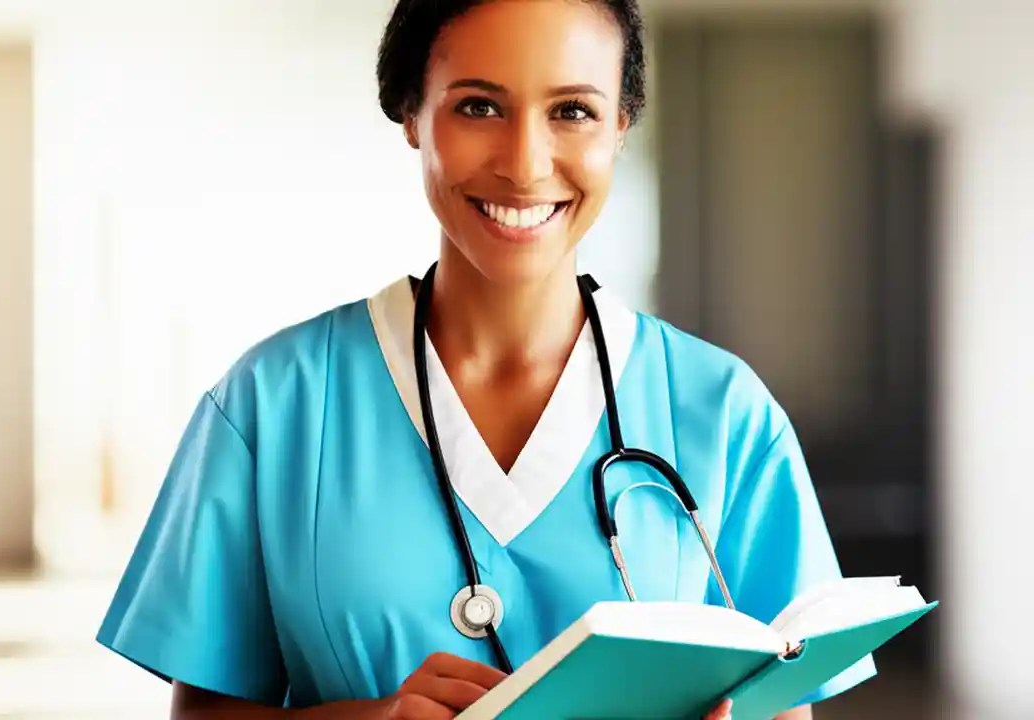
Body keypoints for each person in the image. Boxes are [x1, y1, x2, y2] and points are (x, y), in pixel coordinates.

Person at [96, 1, 876, 718]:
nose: (525, 162)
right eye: (478, 107)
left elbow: (783, 705)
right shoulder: (272, 405)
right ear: (412, 114)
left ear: (622, 126)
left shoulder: (725, 412)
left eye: (572, 110)